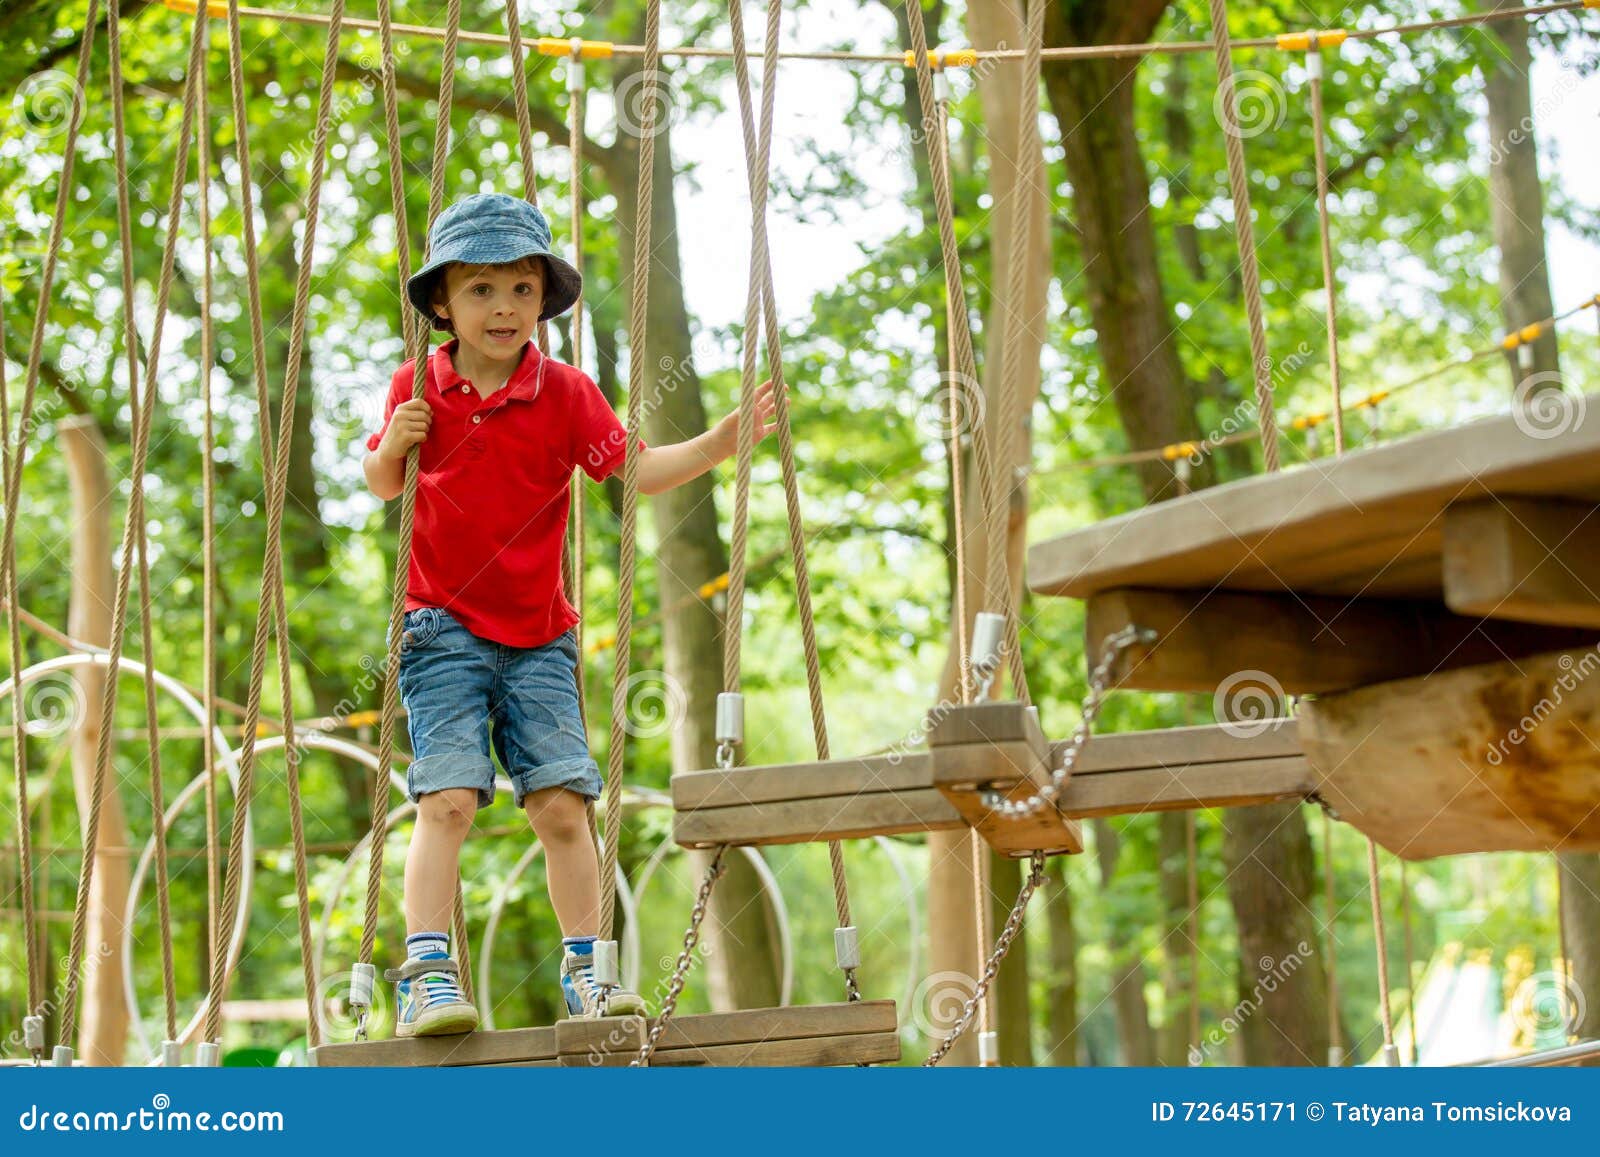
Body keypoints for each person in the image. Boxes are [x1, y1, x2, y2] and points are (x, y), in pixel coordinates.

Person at [363, 193, 775, 1036]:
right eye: (480, 290)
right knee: (447, 798)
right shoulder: (417, 387)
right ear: (442, 302)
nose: (503, 307)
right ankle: (427, 970)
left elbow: (637, 469)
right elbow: (385, 486)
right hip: (440, 625)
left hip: (539, 635)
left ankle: (589, 966)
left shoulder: (564, 393)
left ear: (541, 302)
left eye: (520, 288)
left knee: (562, 803)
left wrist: (717, 446)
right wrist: (394, 444)